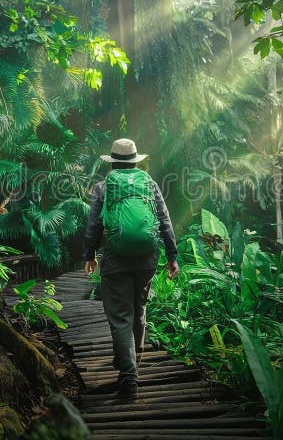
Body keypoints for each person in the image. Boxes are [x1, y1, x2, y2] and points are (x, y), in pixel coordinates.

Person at [83, 138, 179, 398]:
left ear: (112, 162)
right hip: (147, 258)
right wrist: (172, 256)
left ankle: (128, 376)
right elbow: (164, 220)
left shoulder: (103, 186)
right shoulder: (150, 184)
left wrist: (90, 254)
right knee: (139, 308)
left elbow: (94, 224)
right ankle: (133, 357)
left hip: (115, 258)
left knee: (120, 316)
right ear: (135, 161)